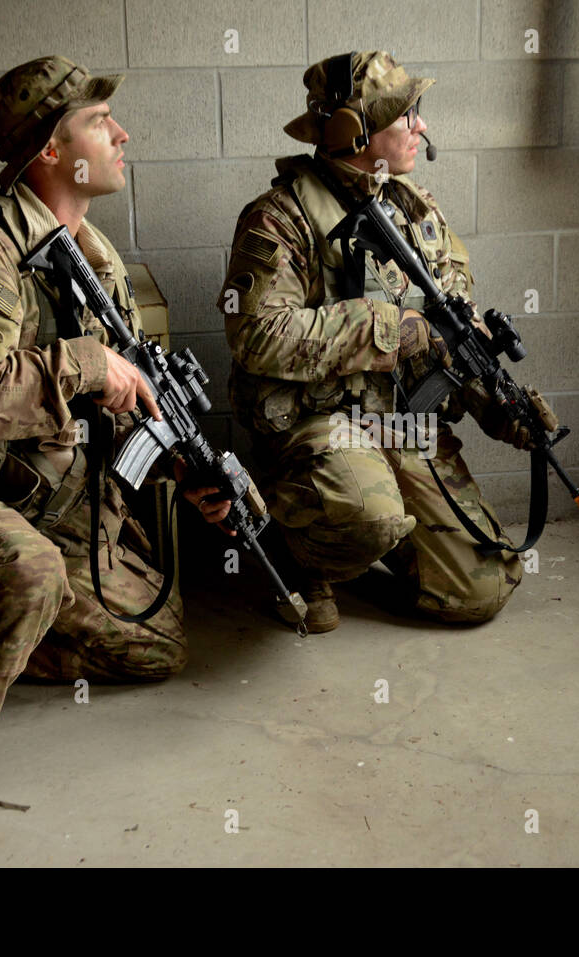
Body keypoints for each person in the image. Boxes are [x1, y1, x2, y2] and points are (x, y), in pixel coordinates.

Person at [0, 55, 230, 857]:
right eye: (100, 121)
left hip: (41, 494)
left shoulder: (92, 255)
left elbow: (112, 405)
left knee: (159, 644)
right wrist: (85, 365)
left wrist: (178, 464)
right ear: (48, 151)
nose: (121, 132)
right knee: (30, 576)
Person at [218, 51, 554, 634]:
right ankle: (294, 553)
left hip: (403, 425)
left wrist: (498, 407)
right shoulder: (281, 217)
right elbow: (256, 336)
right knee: (370, 518)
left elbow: (452, 333)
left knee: (481, 591)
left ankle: (382, 533)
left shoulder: (415, 212)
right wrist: (388, 328)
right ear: (354, 133)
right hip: (320, 426)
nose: (421, 126)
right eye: (408, 114)